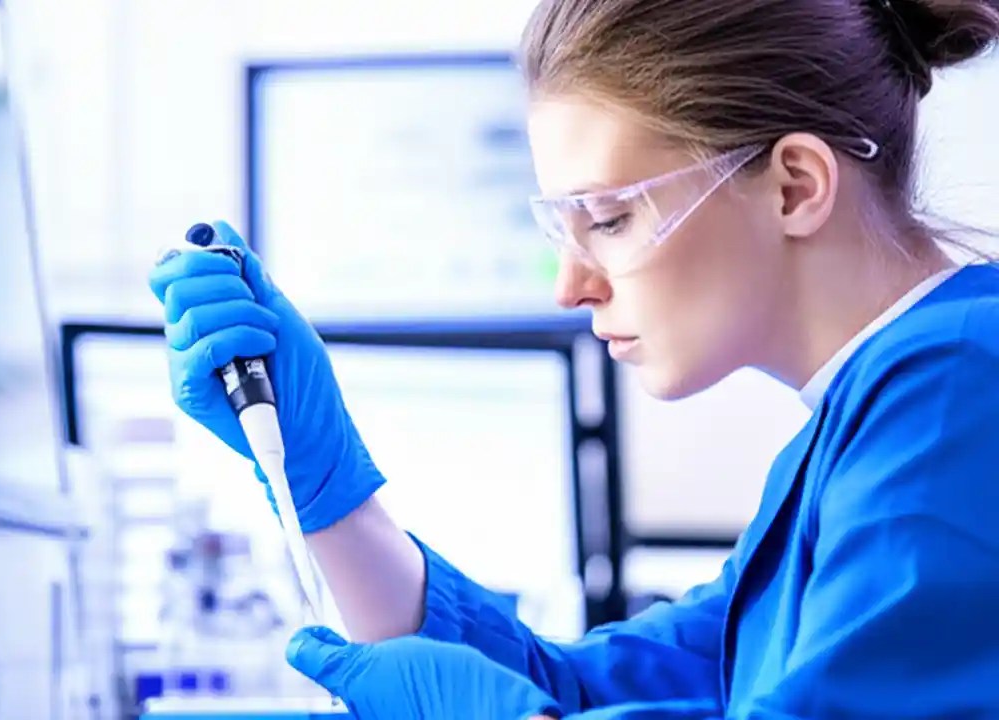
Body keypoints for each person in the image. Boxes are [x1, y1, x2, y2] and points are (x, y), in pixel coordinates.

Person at [148, 0, 999, 716]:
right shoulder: (864, 425)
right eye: (565, 228)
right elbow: (576, 686)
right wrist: (322, 487)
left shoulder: (956, 388)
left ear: (794, 186)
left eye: (612, 220)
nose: (572, 285)